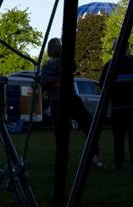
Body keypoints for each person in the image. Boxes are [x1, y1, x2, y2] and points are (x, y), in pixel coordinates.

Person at [39, 37, 101, 168]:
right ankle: (93, 155)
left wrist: (55, 82)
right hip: (68, 98)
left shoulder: (47, 66)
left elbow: (45, 81)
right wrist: (60, 79)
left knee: (61, 132)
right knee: (87, 123)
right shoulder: (62, 62)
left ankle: (64, 158)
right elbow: (70, 69)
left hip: (57, 101)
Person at [105, 46, 133, 172]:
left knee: (119, 139)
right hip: (132, 106)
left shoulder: (109, 66)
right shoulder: (132, 63)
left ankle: (119, 164)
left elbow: (102, 84)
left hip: (118, 107)